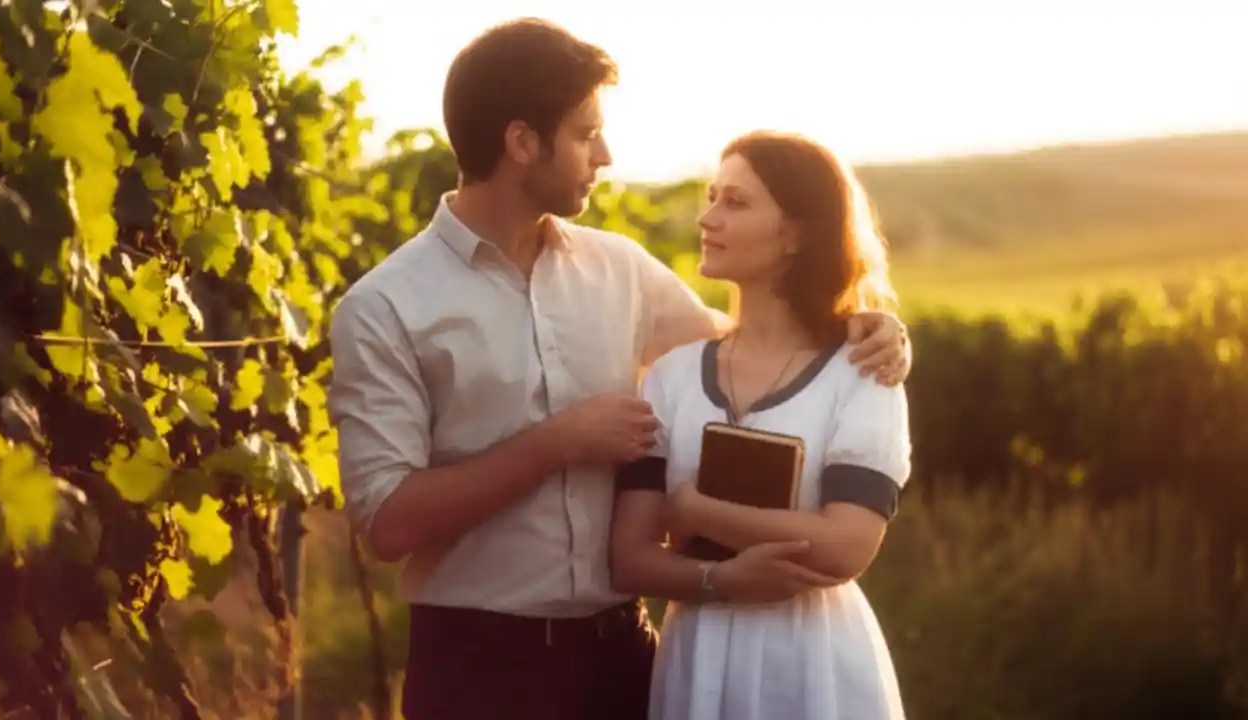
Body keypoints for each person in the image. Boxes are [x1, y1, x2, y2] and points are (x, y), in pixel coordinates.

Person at [326, 18, 911, 720]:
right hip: (476, 670)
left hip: (624, 661)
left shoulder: (621, 269)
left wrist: (867, 329)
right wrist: (558, 442)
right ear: (521, 143)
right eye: (584, 133)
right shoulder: (384, 308)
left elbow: (756, 351)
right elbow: (388, 524)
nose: (604, 153)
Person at [610, 131, 912, 720]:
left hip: (812, 663)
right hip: (696, 660)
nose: (707, 217)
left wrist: (696, 511)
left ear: (798, 232)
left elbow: (846, 547)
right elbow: (630, 559)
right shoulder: (669, 377)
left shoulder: (862, 371)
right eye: (712, 196)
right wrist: (722, 580)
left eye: (736, 202)